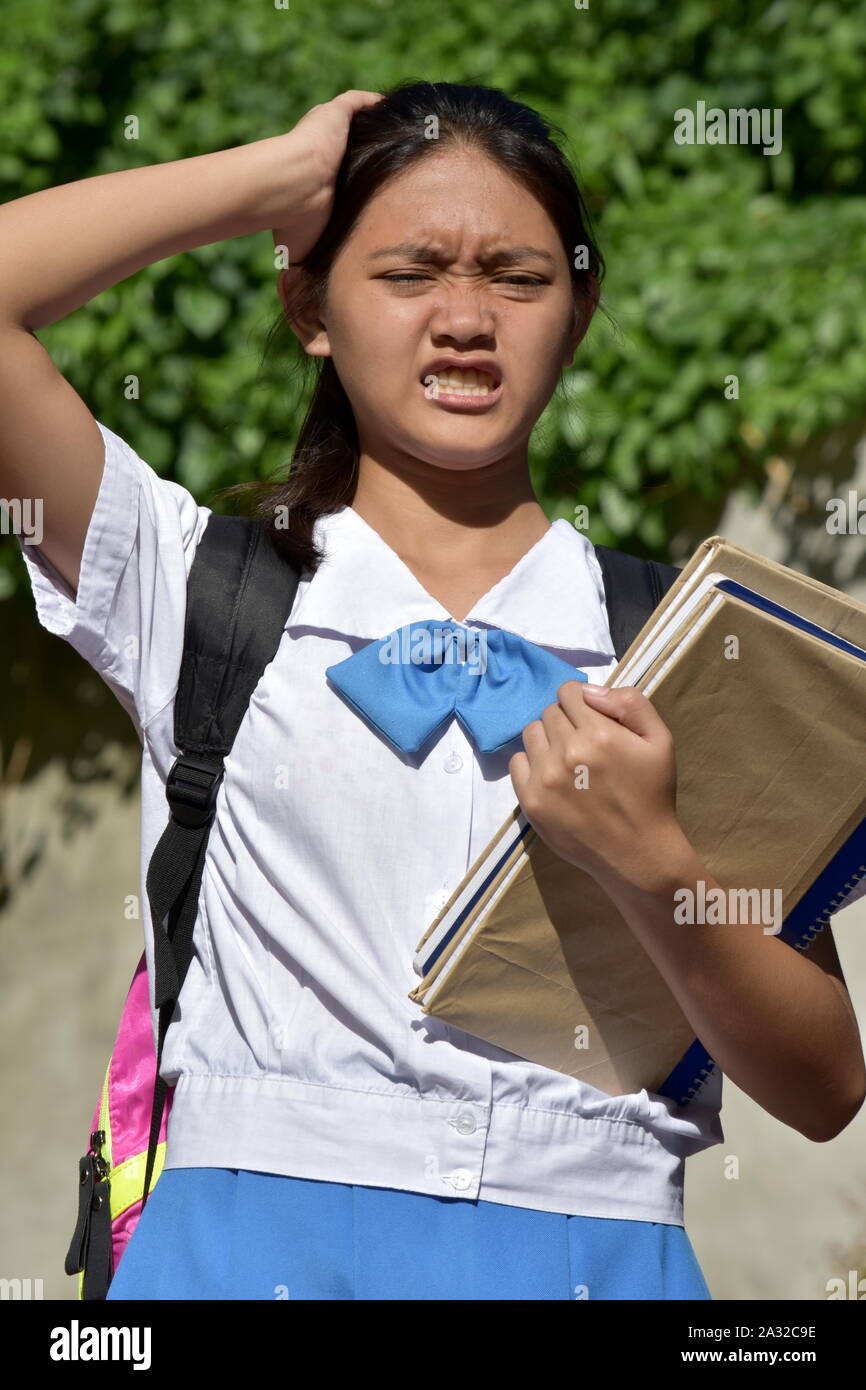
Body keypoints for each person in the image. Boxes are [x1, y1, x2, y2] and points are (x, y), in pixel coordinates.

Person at [3, 80, 863, 1302]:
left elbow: (826, 1085)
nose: (464, 318)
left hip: (597, 1251)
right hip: (247, 1245)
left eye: (517, 278)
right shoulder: (193, 588)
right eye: (408, 273)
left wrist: (654, 863)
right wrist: (262, 180)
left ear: (575, 312)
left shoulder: (677, 641)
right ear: (308, 303)